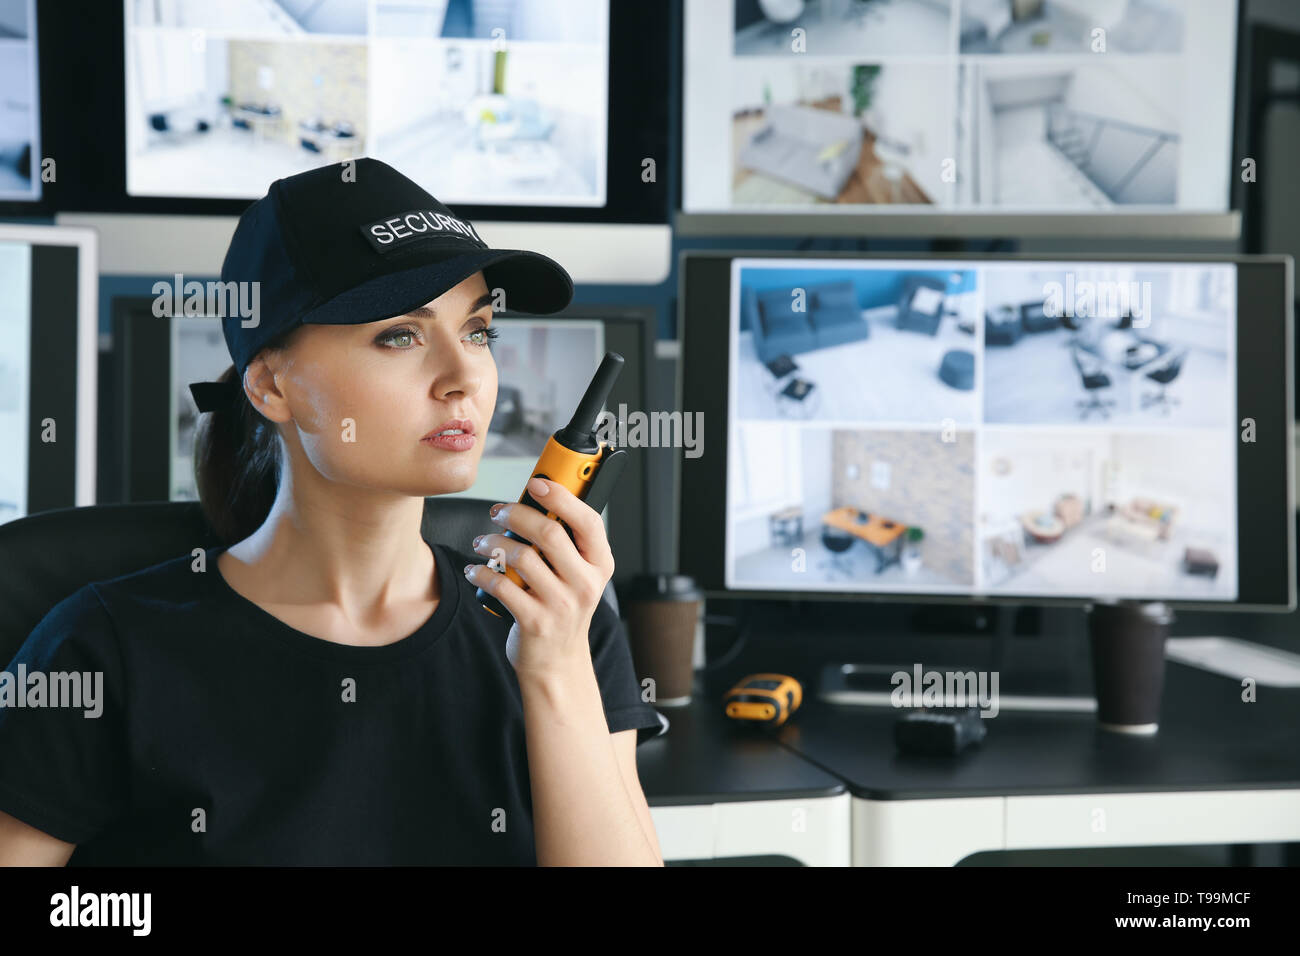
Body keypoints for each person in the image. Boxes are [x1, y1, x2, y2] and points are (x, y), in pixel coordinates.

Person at [0, 158, 665, 866]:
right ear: (272, 386)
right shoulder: (99, 650)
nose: (465, 376)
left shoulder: (562, 623)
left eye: (477, 331)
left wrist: (554, 669)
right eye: (400, 336)